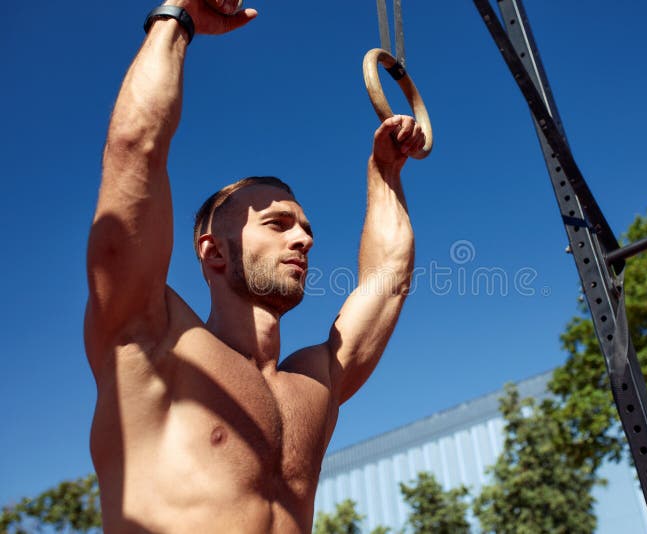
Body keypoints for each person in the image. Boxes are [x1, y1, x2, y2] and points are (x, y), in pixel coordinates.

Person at [84, 1, 425, 532]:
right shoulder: (149, 340)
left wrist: (385, 171)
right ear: (213, 251)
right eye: (277, 223)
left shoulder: (316, 381)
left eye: (306, 227)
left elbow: (390, 279)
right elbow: (135, 150)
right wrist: (178, 16)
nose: (304, 238)